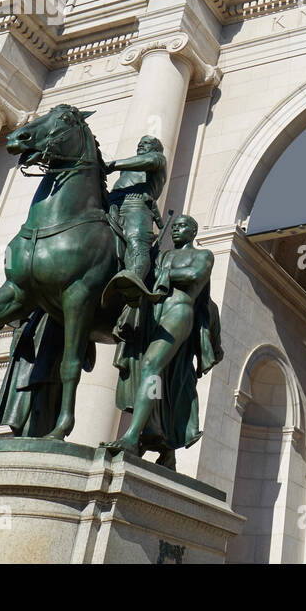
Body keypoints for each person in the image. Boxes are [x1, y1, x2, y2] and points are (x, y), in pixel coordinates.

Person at [105, 215, 222, 467]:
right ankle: (163, 443)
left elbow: (193, 275)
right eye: (175, 226)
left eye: (182, 227)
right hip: (153, 315)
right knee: (159, 380)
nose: (177, 230)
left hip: (179, 312)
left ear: (193, 231)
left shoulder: (203, 256)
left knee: (151, 365)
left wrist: (159, 271)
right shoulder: (163, 256)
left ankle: (132, 436)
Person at [104, 135, 167, 302]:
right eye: (139, 143)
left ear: (155, 148)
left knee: (136, 241)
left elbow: (148, 162)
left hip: (136, 205)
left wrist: (112, 165)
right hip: (112, 202)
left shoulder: (157, 159)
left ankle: (134, 279)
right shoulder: (129, 166)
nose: (141, 145)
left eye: (146, 143)